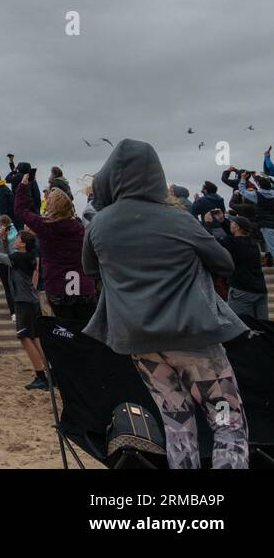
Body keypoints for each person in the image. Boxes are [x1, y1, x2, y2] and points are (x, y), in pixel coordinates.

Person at [83, 139, 249, 469]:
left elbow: (91, 271)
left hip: (141, 343)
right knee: (227, 423)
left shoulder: (99, 225)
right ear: (155, 175)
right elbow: (225, 263)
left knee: (177, 426)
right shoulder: (179, 219)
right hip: (194, 339)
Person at [14, 173, 96, 329]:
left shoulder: (44, 226)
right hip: (83, 286)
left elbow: (20, 210)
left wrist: (23, 185)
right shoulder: (80, 228)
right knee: (85, 333)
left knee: (65, 332)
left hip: (58, 286)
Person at [10, 228, 48, 389]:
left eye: (18, 238)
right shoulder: (31, 257)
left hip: (23, 301)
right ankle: (49, 372)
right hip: (31, 299)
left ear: (23, 244)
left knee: (25, 338)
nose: (15, 239)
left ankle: (40, 375)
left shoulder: (19, 256)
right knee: (36, 337)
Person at [219, 216, 268, 320]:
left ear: (237, 227)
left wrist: (208, 223)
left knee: (243, 328)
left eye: (232, 223)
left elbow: (210, 242)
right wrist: (222, 221)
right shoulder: (254, 243)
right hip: (260, 289)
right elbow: (236, 237)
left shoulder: (231, 242)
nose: (230, 224)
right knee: (263, 327)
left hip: (241, 290)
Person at [0, 216, 17, 315]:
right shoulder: (13, 233)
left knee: (10, 287)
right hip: (9, 262)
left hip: (8, 262)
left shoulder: (0, 235)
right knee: (10, 287)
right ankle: (13, 310)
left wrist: (2, 238)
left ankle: (14, 311)